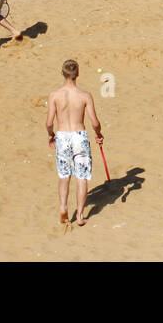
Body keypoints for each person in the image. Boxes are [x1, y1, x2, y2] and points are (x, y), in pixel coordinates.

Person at [46, 59, 103, 227]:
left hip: (63, 135)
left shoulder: (54, 95)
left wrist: (51, 135)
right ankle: (79, 215)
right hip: (79, 136)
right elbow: (94, 122)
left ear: (62, 73)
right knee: (82, 177)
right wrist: (99, 134)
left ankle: (63, 206)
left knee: (64, 176)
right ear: (77, 74)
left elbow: (49, 122)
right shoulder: (85, 96)